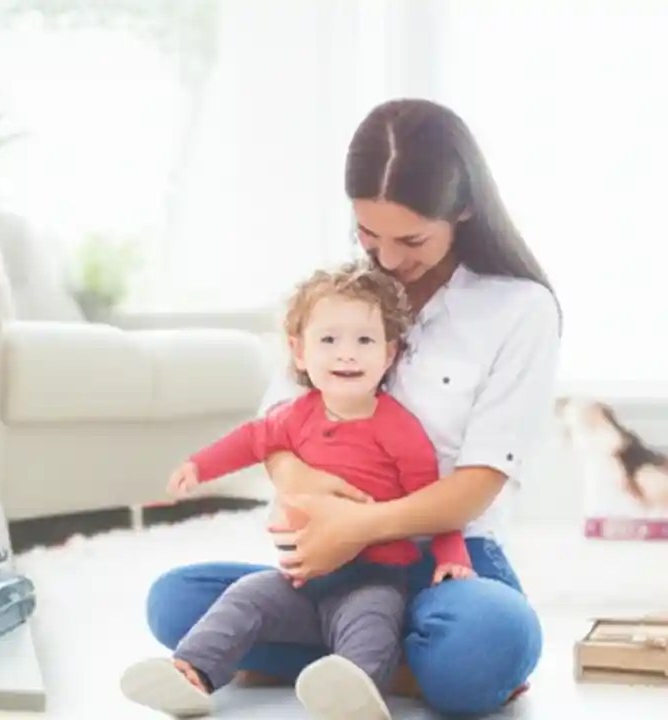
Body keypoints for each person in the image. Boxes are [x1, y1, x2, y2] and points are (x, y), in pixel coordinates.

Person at [143, 98, 561, 717]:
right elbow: (276, 434)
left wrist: (361, 525)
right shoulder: (342, 294)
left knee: (486, 639)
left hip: (450, 562)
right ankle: (393, 665)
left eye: (411, 238)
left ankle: (384, 659)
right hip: (334, 569)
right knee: (174, 603)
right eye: (369, 233)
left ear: (465, 208)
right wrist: (315, 502)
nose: (388, 259)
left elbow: (476, 487)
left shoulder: (519, 310)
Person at [120, 261, 473, 719]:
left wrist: (452, 554)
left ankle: (355, 693)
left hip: (372, 579)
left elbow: (431, 503)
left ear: (389, 354)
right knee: (246, 595)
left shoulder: (400, 430)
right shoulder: (294, 415)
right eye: (329, 340)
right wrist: (200, 465)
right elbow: (250, 440)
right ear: (299, 352)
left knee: (371, 625)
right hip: (300, 582)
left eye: (364, 341)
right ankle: (192, 673)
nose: (347, 354)